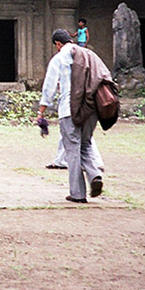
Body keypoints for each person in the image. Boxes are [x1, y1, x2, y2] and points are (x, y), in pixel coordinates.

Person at [36, 29, 104, 203]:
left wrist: (41, 111)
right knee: (86, 143)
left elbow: (49, 87)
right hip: (92, 108)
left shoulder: (59, 58)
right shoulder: (89, 55)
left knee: (72, 150)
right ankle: (95, 175)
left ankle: (77, 194)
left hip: (69, 110)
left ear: (58, 44)